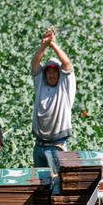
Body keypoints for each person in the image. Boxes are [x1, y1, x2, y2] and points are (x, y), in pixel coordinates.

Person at [31, 27, 75, 168]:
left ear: (59, 74)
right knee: (41, 186)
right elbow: (34, 64)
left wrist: (52, 44)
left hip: (57, 147)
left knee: (57, 185)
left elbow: (67, 64)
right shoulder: (41, 84)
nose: (51, 75)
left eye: (55, 72)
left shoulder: (64, 88)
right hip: (39, 145)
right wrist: (43, 45)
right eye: (48, 72)